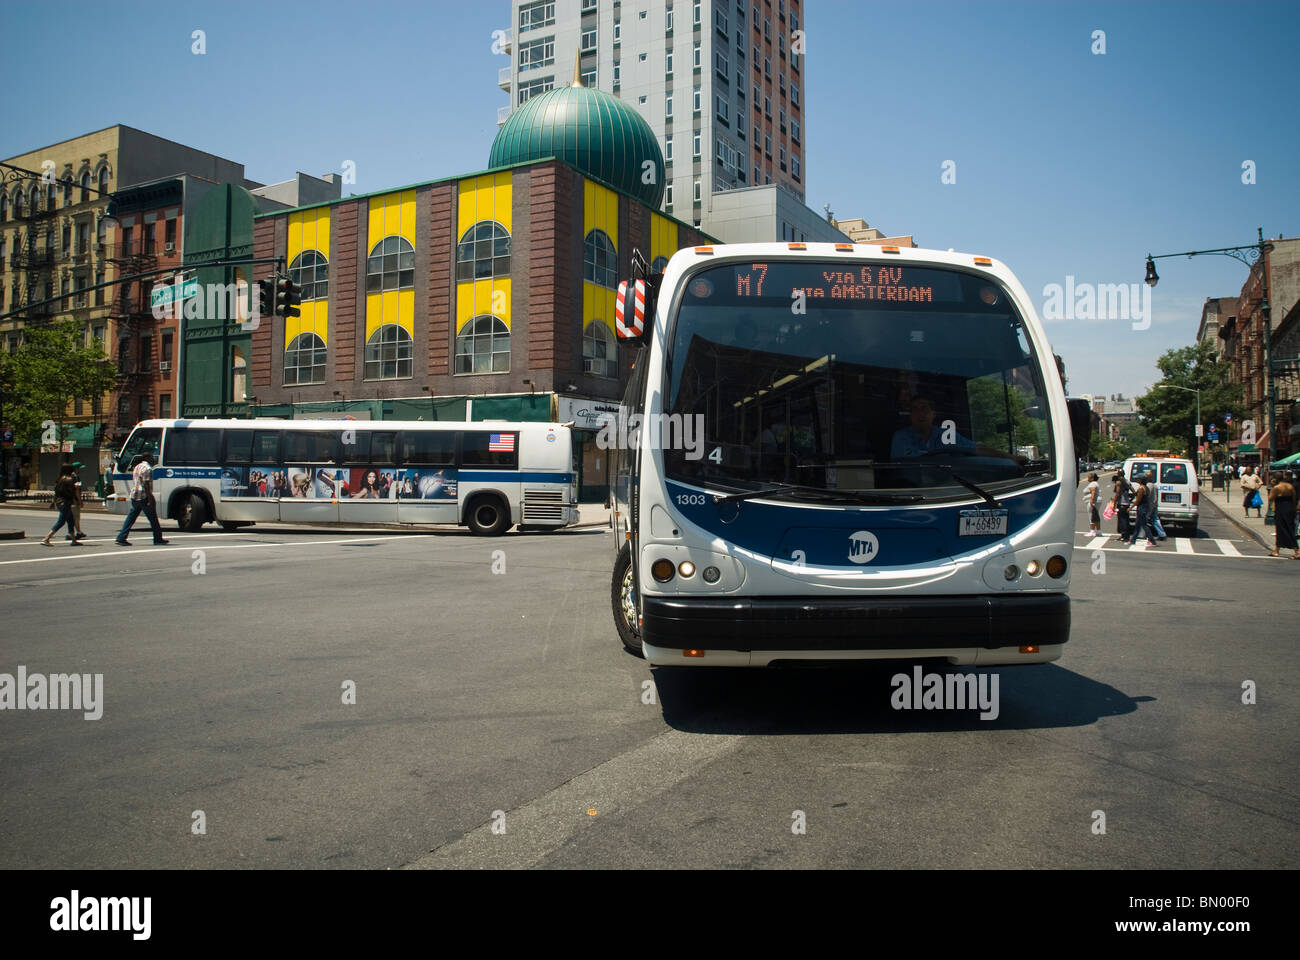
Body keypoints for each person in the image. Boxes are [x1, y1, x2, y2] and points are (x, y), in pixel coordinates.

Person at [889, 396, 1025, 461]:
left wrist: (1011, 457)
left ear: (933, 414)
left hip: (950, 490)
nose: (920, 413)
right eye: (915, 410)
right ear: (910, 416)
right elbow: (903, 467)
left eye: (925, 408)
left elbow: (977, 449)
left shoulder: (946, 435)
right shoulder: (901, 437)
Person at [115, 453, 169, 546]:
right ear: (147, 458)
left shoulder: (137, 467)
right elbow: (146, 484)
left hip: (135, 495)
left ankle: (121, 537)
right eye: (151, 457)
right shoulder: (147, 468)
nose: (153, 459)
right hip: (143, 496)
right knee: (153, 518)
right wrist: (150, 498)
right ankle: (157, 538)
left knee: (131, 517)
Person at [41, 465, 82, 546]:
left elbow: (56, 492)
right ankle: (46, 538)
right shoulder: (69, 480)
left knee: (71, 521)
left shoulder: (60, 479)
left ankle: (73, 540)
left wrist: (53, 502)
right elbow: (72, 492)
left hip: (60, 502)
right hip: (66, 502)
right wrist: (76, 491)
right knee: (61, 521)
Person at [1267, 471, 1299, 559]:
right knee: (1288, 528)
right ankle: (1276, 550)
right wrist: (1294, 509)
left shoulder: (1277, 488)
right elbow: (1294, 498)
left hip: (1281, 509)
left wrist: (1272, 487)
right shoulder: (1290, 486)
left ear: (1275, 479)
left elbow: (1270, 499)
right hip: (1290, 508)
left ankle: (1297, 551)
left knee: (1282, 529)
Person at [1128, 471, 1159, 547]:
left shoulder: (1141, 488)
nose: (1136, 479)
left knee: (1144, 525)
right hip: (1144, 507)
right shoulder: (1146, 487)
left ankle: (1152, 541)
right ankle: (1133, 540)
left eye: (1137, 478)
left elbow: (1138, 500)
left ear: (1141, 480)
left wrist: (1130, 508)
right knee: (1137, 525)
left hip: (1142, 508)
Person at [63, 460, 88, 540]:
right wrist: (80, 501)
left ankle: (78, 532)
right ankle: (71, 534)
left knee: (74, 517)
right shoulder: (76, 477)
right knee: (75, 517)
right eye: (80, 468)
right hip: (74, 500)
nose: (81, 470)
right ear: (76, 469)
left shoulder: (70, 476)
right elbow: (77, 490)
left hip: (70, 499)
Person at [1111, 471, 1133, 542]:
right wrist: (1130, 499)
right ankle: (1126, 536)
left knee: (1122, 520)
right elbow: (1134, 492)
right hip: (1126, 503)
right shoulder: (1127, 481)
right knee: (1126, 520)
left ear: (1118, 474)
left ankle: (1124, 536)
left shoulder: (1118, 482)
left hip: (1121, 503)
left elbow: (1117, 494)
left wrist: (1114, 503)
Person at [1082, 472, 1101, 538]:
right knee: (1096, 516)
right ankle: (1098, 531)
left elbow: (1093, 492)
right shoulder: (1095, 483)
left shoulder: (1092, 483)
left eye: (1089, 477)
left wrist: (1092, 501)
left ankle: (1092, 531)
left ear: (1092, 478)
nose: (1088, 478)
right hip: (1096, 501)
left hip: (1093, 501)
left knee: (1091, 516)